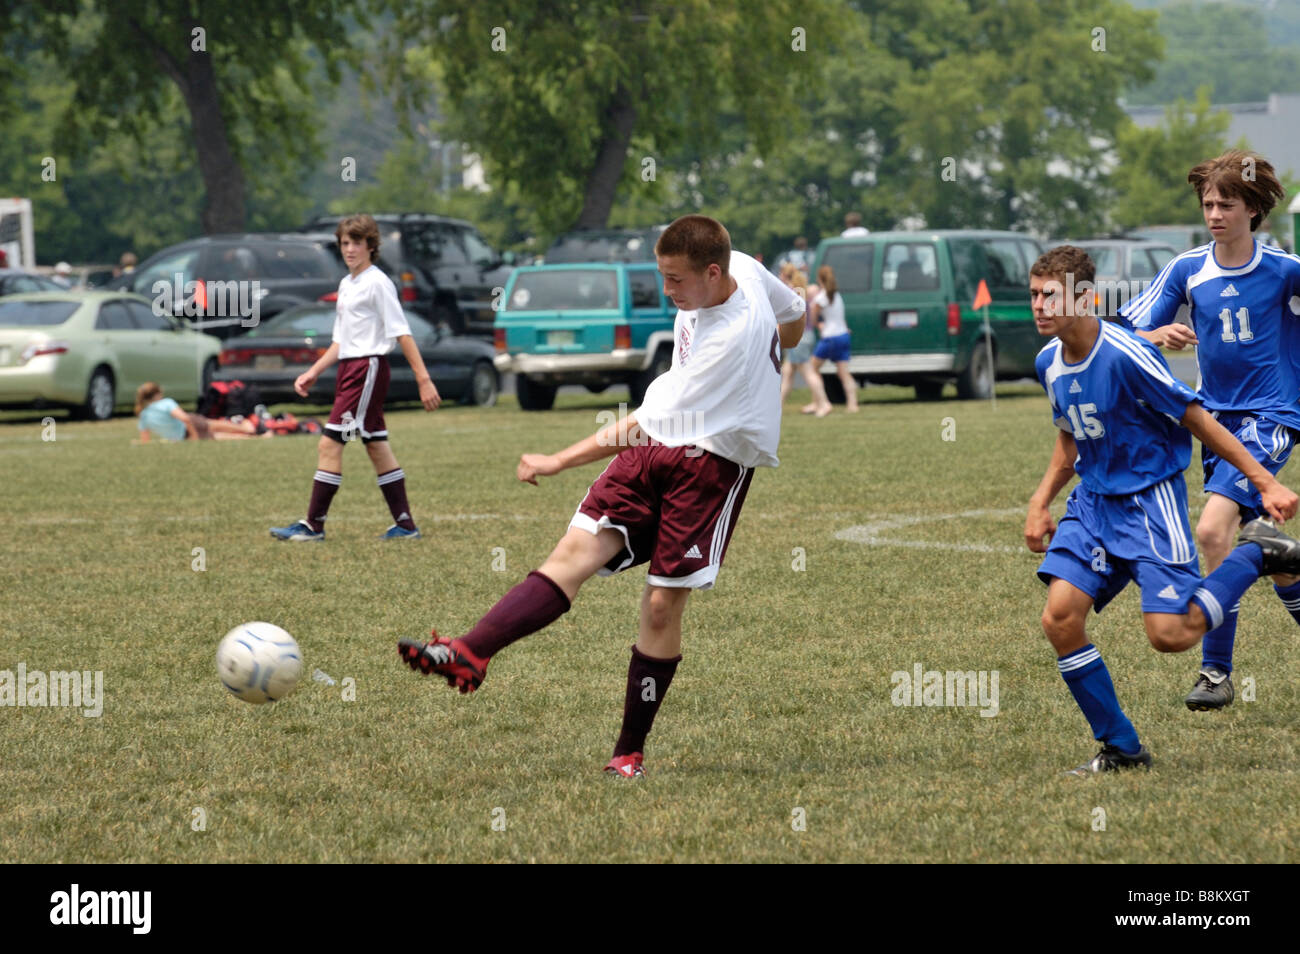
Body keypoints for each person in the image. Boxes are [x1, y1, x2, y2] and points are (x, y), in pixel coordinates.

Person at [396, 215, 807, 777]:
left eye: (676, 281)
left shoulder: (730, 342)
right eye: (662, 276)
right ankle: (471, 651)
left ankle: (628, 751)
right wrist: (780, 348)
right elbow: (796, 312)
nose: (667, 292)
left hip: (709, 462)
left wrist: (557, 459)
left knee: (661, 606)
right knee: (572, 555)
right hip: (653, 452)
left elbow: (638, 423)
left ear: (714, 274)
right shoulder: (743, 266)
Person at [1025, 245, 1300, 775]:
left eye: (1049, 295)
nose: (1038, 305)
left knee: (1169, 636)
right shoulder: (1048, 362)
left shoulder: (1127, 353)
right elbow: (1070, 436)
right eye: (1033, 295)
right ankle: (1121, 748)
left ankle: (1255, 555)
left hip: (1149, 506)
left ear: (1087, 298)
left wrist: (1264, 481)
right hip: (1091, 508)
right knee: (1060, 619)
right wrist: (1040, 503)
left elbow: (1197, 419)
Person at [1120, 150, 1300, 711]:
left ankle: (1215, 673)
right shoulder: (1187, 269)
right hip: (1214, 425)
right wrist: (1158, 337)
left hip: (1272, 418)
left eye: (1226, 204)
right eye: (1208, 204)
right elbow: (1120, 335)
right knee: (1271, 563)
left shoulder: (1285, 273)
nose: (1215, 213)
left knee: (1213, 532)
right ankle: (1281, 560)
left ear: (1253, 209)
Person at [269, 214, 441, 542]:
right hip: (352, 369)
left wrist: (423, 379)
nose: (349, 249)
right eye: (345, 243)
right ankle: (405, 526)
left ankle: (312, 526)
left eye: (356, 243)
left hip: (367, 370)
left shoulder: (378, 283)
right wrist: (313, 371)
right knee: (376, 445)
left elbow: (402, 333)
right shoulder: (347, 285)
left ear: (371, 246)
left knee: (330, 443)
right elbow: (340, 341)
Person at [806, 264, 858, 414]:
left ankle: (819, 402)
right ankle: (852, 404)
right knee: (844, 373)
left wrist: (820, 325)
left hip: (830, 338)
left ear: (819, 279)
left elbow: (813, 319)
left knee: (812, 369)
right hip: (843, 336)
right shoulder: (837, 295)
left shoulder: (820, 298)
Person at [134, 382, 259, 442]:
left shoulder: (143, 415)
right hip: (192, 426)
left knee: (217, 437)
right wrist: (195, 436)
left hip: (183, 437)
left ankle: (255, 437)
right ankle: (249, 429)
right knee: (218, 426)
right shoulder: (166, 403)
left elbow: (145, 440)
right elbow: (185, 419)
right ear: (157, 394)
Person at [778, 264, 829, 409]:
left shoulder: (789, 291)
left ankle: (824, 403)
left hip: (798, 337)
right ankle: (777, 406)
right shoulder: (801, 290)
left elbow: (790, 317)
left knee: (808, 373)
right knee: (788, 372)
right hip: (807, 335)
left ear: (784, 275)